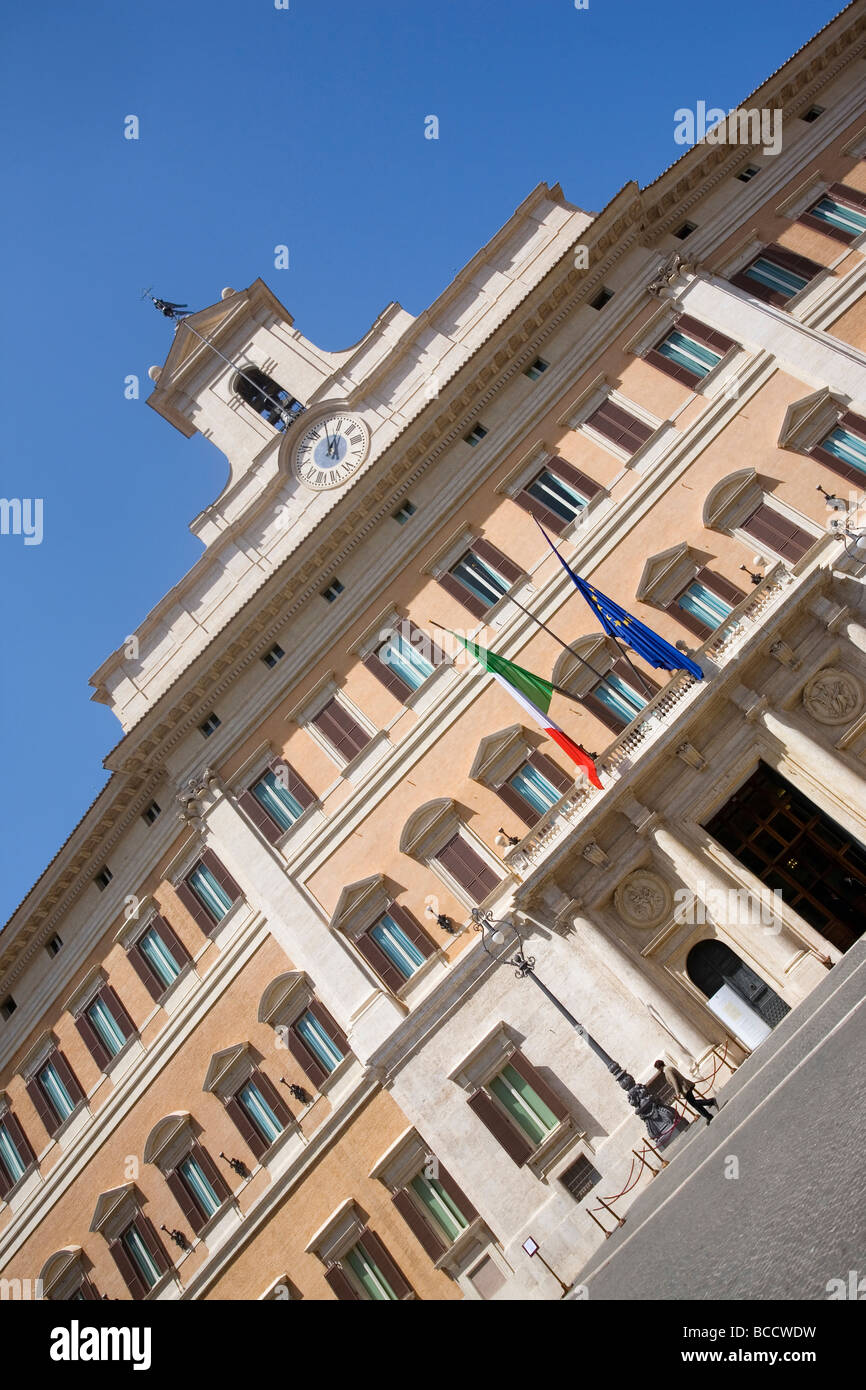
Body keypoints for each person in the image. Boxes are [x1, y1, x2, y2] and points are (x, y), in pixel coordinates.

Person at [653, 1059, 719, 1125]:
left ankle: (711, 1102)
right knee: (694, 1104)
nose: (658, 1070)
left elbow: (674, 1081)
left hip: (684, 1088)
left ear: (660, 1067)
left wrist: (677, 1092)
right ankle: (708, 1116)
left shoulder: (667, 1070)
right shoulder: (669, 1068)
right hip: (685, 1087)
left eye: (658, 1068)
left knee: (694, 1103)